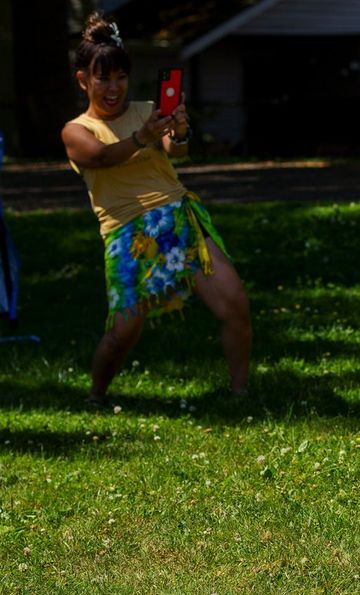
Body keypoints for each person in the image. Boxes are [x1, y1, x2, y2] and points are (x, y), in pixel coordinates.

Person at [62, 13, 252, 403]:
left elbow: (175, 150)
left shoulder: (147, 110)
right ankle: (96, 395)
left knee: (235, 304)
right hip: (127, 232)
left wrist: (179, 130)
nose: (114, 88)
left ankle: (241, 393)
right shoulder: (75, 130)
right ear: (84, 80)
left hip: (179, 217)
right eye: (103, 79)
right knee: (122, 334)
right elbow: (100, 157)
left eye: (121, 78)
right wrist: (141, 136)